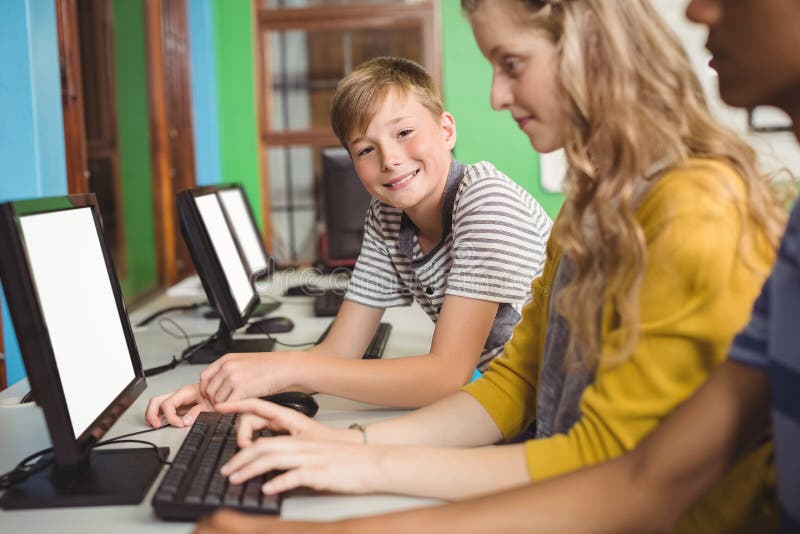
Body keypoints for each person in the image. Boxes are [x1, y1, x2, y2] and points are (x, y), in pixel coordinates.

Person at [194, 0, 800, 532]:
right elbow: (516, 383)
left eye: (511, 65)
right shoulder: (587, 208)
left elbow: (620, 472)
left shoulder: (691, 209)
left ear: (591, 45)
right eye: (367, 150)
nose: (496, 96)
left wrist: (360, 473)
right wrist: (349, 447)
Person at [146, 57, 552, 425]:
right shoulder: (387, 214)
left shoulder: (485, 202)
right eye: (366, 150)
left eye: (405, 132)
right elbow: (340, 352)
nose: (390, 160)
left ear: (445, 129)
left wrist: (287, 369)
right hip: (504, 393)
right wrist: (221, 390)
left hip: (552, 406)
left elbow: (447, 374)